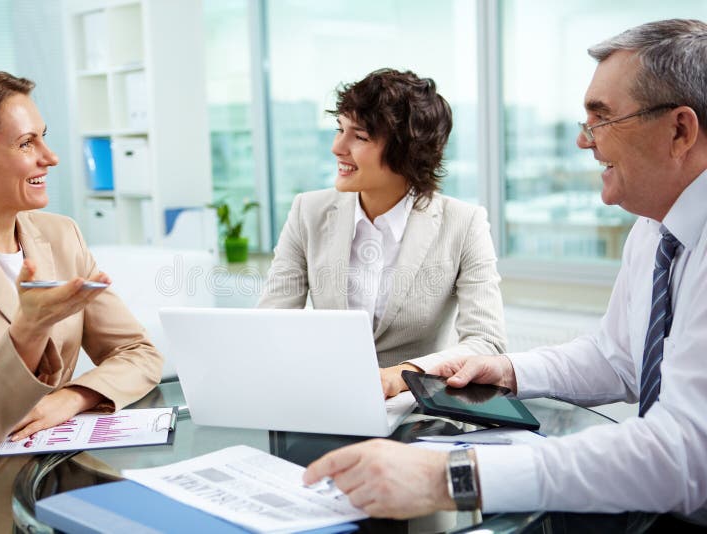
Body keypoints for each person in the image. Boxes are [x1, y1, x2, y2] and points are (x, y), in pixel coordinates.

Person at [303, 19, 707, 529]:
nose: (585, 142)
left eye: (601, 120)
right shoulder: (653, 229)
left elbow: (689, 452)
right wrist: (511, 371)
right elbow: (619, 358)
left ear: (679, 130)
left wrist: (446, 476)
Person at [0, 70, 164, 474]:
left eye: (43, 136)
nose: (51, 157)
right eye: (27, 143)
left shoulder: (61, 236)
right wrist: (30, 328)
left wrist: (73, 396)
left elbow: (139, 354)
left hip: (52, 461)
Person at [258, 69, 506, 396]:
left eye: (358, 136)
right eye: (339, 129)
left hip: (417, 409)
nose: (337, 147)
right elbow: (271, 323)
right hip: (327, 398)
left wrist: (402, 375)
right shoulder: (308, 211)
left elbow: (486, 342)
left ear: (408, 151)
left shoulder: (463, 223)